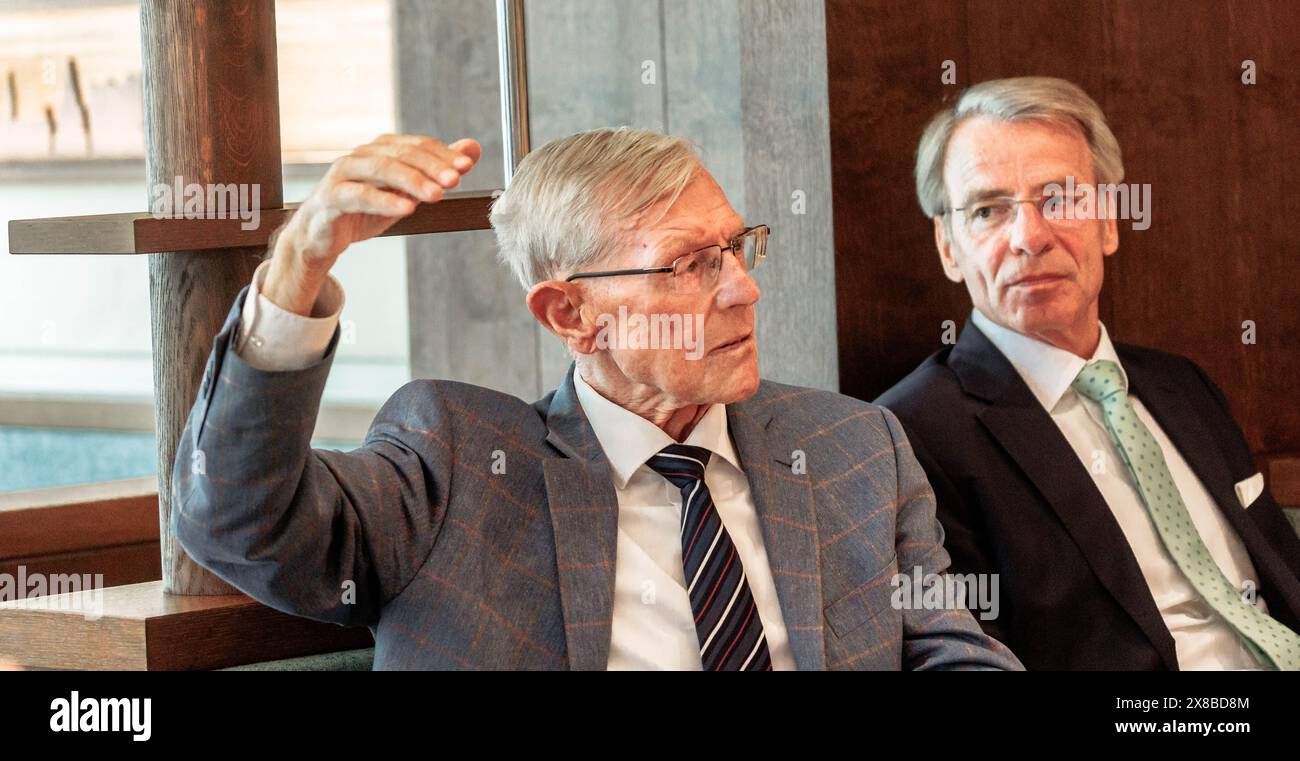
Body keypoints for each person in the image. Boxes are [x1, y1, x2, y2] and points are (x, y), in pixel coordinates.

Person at [172, 127, 1021, 670]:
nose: (741, 293)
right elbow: (238, 520)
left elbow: (949, 650)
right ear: (571, 314)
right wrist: (299, 266)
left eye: (737, 249)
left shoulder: (851, 445)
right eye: (690, 264)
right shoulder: (460, 462)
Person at [877, 77, 1300, 670]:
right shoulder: (907, 436)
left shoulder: (1183, 386)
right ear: (949, 246)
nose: (1029, 237)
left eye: (1060, 199)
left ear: (1109, 222)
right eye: (988, 210)